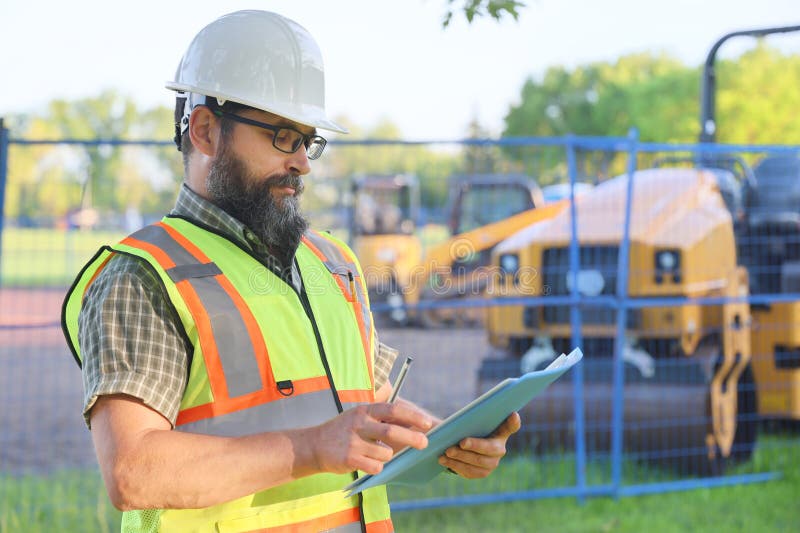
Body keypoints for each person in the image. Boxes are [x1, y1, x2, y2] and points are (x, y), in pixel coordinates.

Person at [62, 10, 520, 533]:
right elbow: (133, 473)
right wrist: (311, 447)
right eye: (283, 136)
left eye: (308, 141)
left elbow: (362, 417)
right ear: (207, 131)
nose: (303, 162)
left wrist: (441, 441)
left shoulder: (334, 262)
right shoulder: (144, 278)